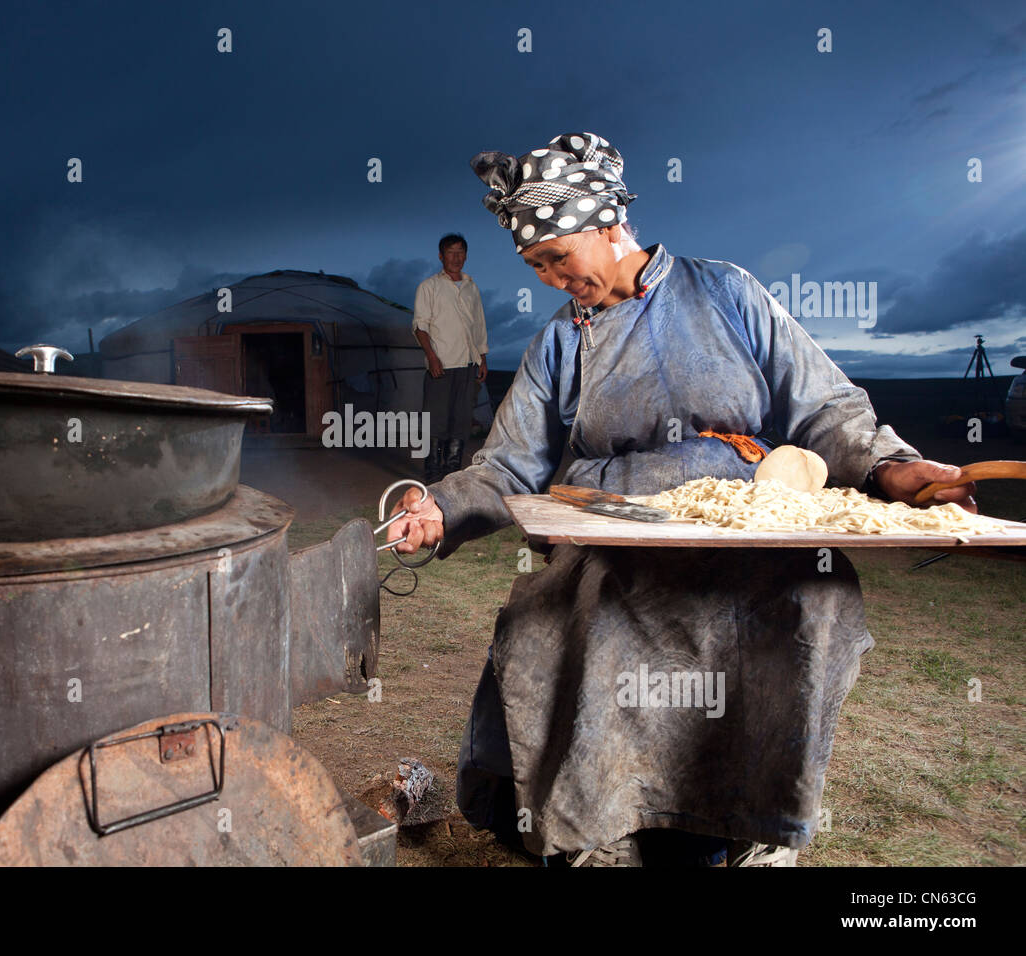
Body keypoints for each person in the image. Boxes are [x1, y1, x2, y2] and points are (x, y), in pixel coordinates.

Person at [386, 132, 976, 866]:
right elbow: (508, 465)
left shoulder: (726, 292)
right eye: (535, 267)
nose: (549, 280)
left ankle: (748, 825)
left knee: (816, 601)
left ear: (609, 226)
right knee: (590, 613)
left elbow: (824, 408)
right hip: (614, 534)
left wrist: (892, 469)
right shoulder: (560, 345)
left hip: (750, 531)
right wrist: (440, 507)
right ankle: (611, 830)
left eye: (556, 259)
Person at [413, 234, 489, 483]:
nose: (456, 257)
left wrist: (483, 358)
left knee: (461, 420)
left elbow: (479, 326)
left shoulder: (472, 287)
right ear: (440, 256)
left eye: (460, 252)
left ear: (466, 256)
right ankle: (433, 476)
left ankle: (453, 474)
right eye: (450, 252)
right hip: (442, 365)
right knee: (436, 421)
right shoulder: (429, 287)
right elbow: (420, 327)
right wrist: (432, 358)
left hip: (468, 364)